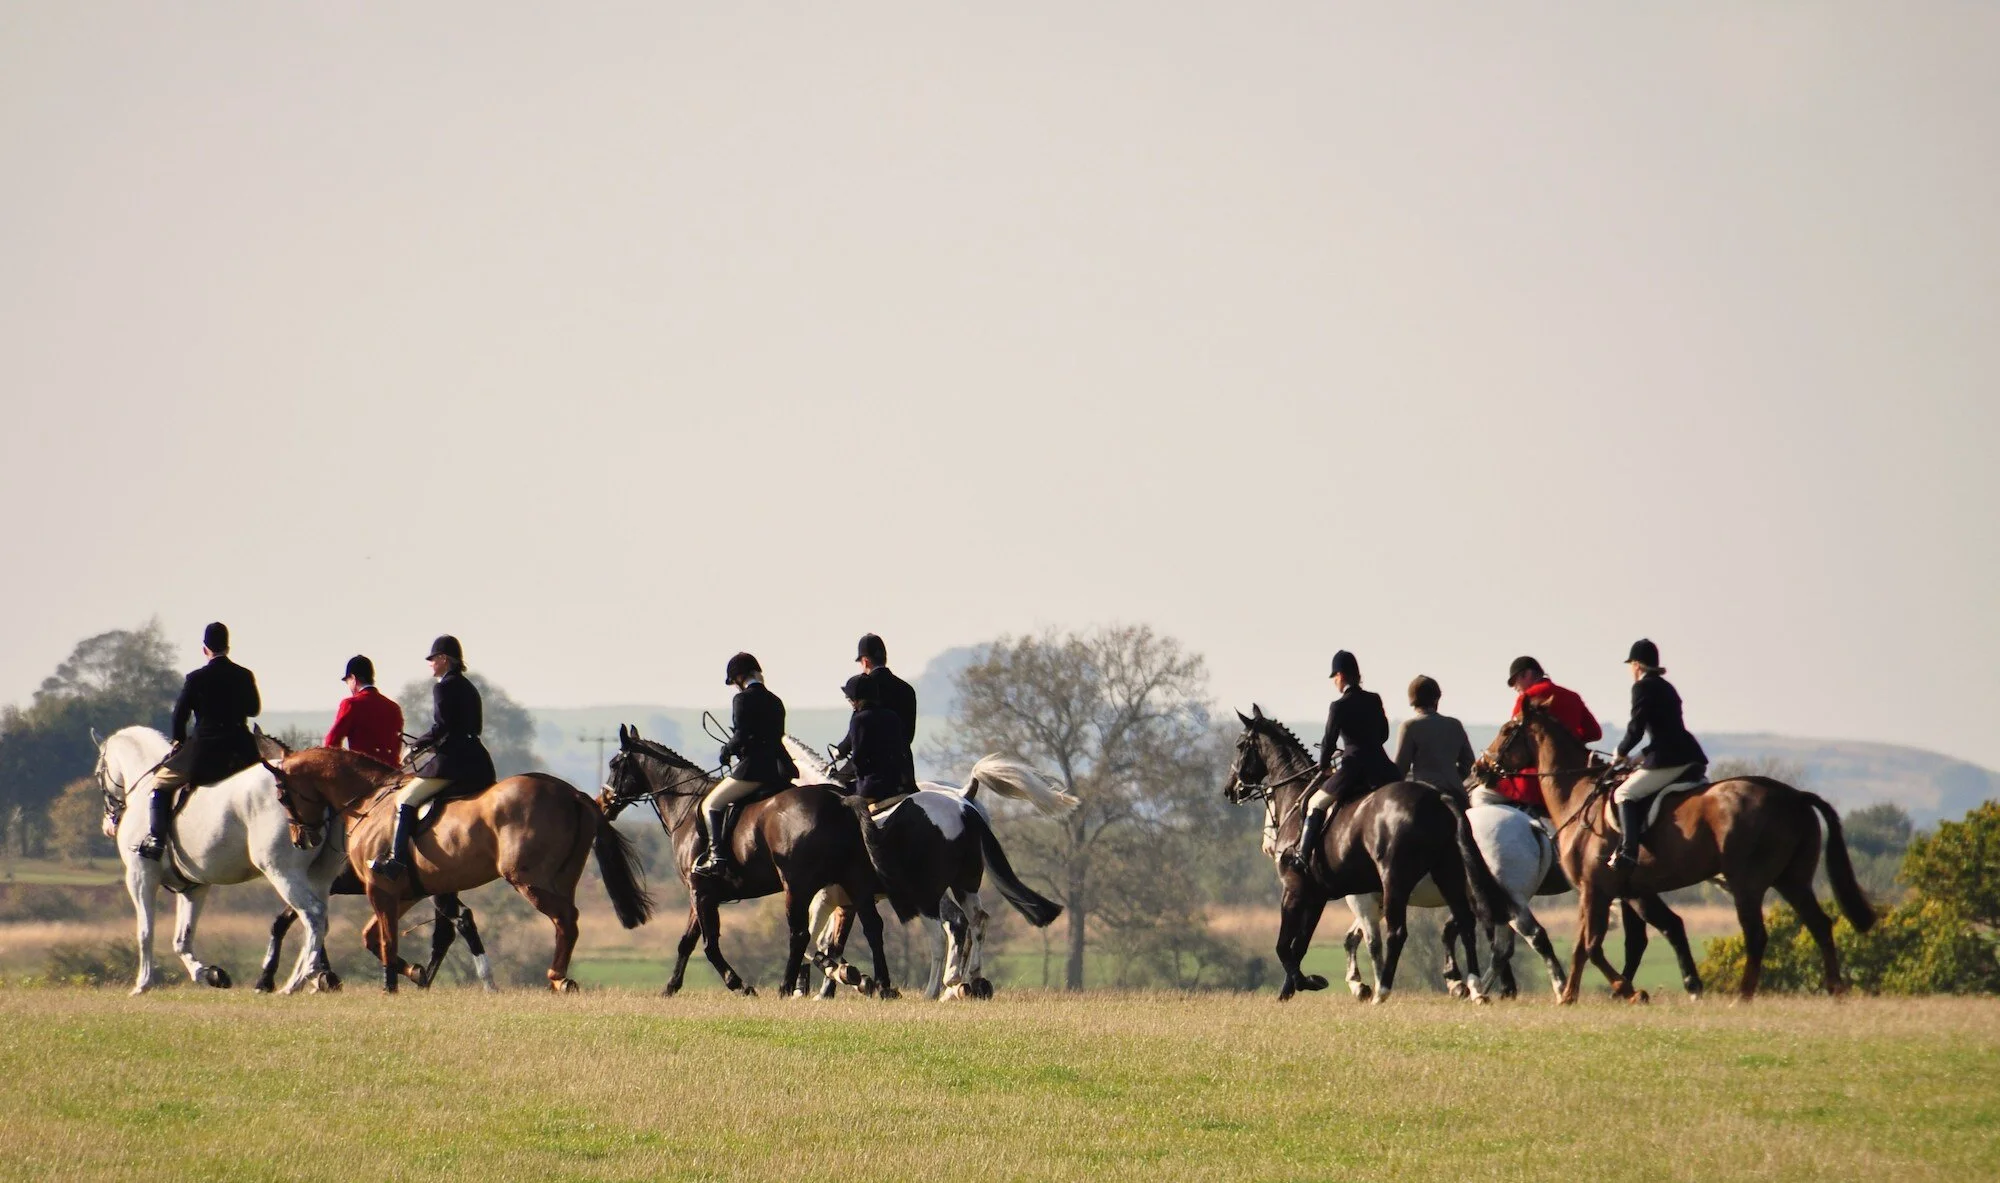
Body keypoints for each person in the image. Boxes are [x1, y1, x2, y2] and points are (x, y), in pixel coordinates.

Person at [372, 636, 497, 879]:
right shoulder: (468, 686)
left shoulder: (443, 686)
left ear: (443, 659)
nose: (430, 664)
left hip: (453, 763)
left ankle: (397, 861)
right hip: (478, 762)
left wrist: (416, 748)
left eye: (432, 659)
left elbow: (442, 726)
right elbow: (462, 727)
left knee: (405, 798)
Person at [139, 622, 262, 861]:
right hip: (242, 749)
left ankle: (156, 839)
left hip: (204, 751)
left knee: (159, 785)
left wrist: (178, 741)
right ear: (227, 647)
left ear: (205, 649)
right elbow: (254, 709)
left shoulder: (195, 678)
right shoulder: (244, 675)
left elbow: (180, 715)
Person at [1282, 651, 1399, 873]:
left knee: (1316, 804)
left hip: (1353, 769)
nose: (1334, 681)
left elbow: (1328, 741)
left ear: (1341, 676)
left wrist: (1324, 765)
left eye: (1334, 677)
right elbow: (1383, 734)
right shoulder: (1374, 699)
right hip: (1382, 769)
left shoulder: (1338, 706)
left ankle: (1302, 858)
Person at [693, 653, 799, 876]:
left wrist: (727, 750)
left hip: (753, 771)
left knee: (710, 805)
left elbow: (742, 735)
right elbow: (774, 735)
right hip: (777, 770)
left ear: (740, 677)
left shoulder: (742, 700)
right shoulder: (775, 700)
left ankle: (717, 857)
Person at [1607, 639, 1708, 870]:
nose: (1630, 670)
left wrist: (1621, 752)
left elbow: (1636, 728)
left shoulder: (1642, 687)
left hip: (1670, 759)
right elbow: (1668, 731)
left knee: (1624, 793)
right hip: (1688, 753)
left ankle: (1628, 853)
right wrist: (1641, 755)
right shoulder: (1666, 686)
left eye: (1631, 664)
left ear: (1637, 665)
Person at [1496, 655, 1602, 814]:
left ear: (1527, 674)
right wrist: (1570, 741)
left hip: (1536, 781)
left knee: (1481, 794)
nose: (1515, 688)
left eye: (1515, 681)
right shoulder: (1572, 696)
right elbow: (1594, 732)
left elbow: (1514, 739)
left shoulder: (1527, 699)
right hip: (1575, 777)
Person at [833, 633, 917, 778]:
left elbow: (856, 733)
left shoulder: (864, 687)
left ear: (865, 661)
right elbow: (909, 734)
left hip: (873, 770)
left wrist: (841, 750)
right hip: (904, 767)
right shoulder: (907, 689)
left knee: (834, 785)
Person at [836, 674, 915, 803]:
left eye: (849, 698)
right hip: (897, 783)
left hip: (872, 788)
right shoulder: (892, 716)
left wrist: (855, 777)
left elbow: (858, 759)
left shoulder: (859, 720)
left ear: (856, 699)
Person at [1391, 675, 1476, 792]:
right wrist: (1453, 779)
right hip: (1455, 791)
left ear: (1412, 701)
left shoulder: (1409, 726)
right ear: (1437, 698)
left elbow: (1400, 769)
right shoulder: (1455, 724)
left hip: (1424, 792)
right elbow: (1469, 762)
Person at [324, 655, 403, 768]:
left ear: (353, 678)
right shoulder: (394, 707)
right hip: (393, 772)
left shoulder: (351, 704)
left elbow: (331, 742)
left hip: (365, 776)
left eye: (347, 681)